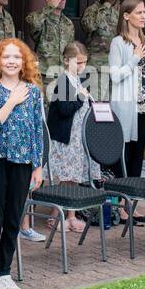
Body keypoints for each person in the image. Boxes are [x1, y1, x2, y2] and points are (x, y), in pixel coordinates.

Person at [0, 39, 44, 289]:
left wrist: (38, 166)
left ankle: (5, 271)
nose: (11, 61)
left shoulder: (33, 91)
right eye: (6, 57)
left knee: (14, 219)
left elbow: (38, 130)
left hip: (23, 162)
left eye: (16, 57)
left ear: (23, 61)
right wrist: (11, 101)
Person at [46, 42, 101, 233]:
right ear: (66, 60)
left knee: (73, 178)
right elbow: (64, 109)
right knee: (65, 178)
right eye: (78, 62)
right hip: (65, 138)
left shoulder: (77, 79)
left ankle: (68, 215)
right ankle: (58, 215)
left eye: (84, 62)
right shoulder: (63, 80)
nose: (82, 66)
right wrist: (80, 97)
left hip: (77, 137)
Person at [109, 0, 145, 188]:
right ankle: (120, 203)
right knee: (125, 154)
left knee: (139, 154)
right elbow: (115, 76)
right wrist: (134, 59)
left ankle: (132, 202)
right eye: (139, 12)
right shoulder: (118, 42)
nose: (143, 15)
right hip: (126, 106)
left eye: (144, 12)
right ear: (126, 16)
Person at [25, 0, 74, 88]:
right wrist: (50, 7)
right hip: (44, 74)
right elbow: (34, 23)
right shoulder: (39, 18)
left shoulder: (68, 23)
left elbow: (71, 50)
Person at [81, 0, 122, 65]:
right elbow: (89, 26)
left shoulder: (115, 12)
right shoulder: (92, 10)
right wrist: (107, 5)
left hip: (112, 60)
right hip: (95, 60)